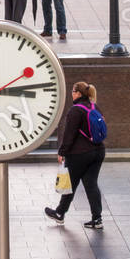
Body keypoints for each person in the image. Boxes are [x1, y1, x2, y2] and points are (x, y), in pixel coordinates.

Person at [44, 81, 106, 228]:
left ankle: (59, 213)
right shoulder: (94, 106)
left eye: (73, 91)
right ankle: (97, 219)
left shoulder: (75, 110)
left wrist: (62, 152)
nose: (71, 93)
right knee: (91, 184)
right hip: (98, 151)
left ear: (78, 93)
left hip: (80, 154)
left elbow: (69, 135)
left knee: (70, 184)